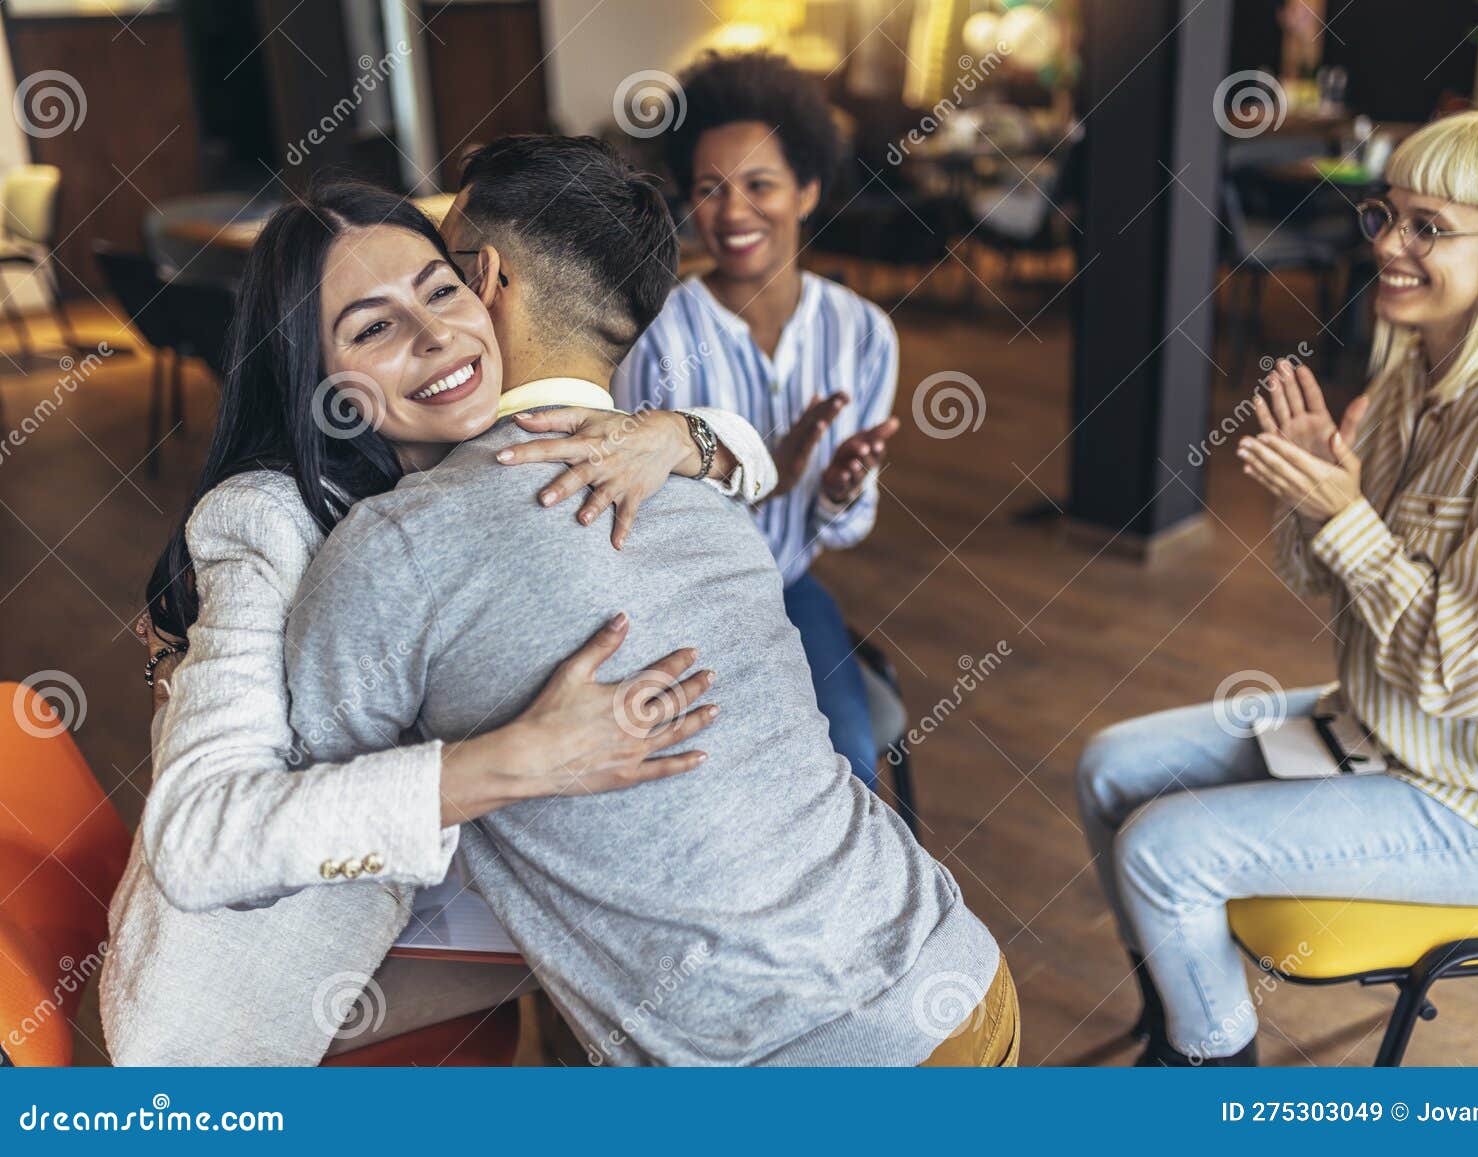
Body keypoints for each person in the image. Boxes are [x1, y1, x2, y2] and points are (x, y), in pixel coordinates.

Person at [286, 133, 1015, 1066]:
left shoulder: (395, 546)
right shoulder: (696, 483)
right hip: (958, 985)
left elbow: (306, 830)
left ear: (482, 281)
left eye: (438, 277)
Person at [103, 173, 780, 1065]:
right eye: (373, 327)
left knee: (649, 912)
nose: (434, 336)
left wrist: (677, 437)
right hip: (256, 995)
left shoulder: (482, 452)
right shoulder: (265, 519)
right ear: (320, 379)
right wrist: (517, 760)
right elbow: (199, 841)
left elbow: (754, 459)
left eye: (440, 291)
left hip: (423, 902)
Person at [1075, 109, 1478, 1066]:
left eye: (1428, 227)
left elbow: (1477, 676)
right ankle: (1191, 1015)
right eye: (1386, 216)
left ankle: (1205, 1076)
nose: (1390, 246)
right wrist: (1320, 495)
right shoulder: (1411, 376)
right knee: (1109, 765)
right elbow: (1319, 582)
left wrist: (1348, 514)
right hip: (1383, 727)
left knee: (1163, 847)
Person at [613, 51, 899, 790]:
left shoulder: (864, 334)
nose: (733, 211)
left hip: (792, 591)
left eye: (759, 184)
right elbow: (641, 522)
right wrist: (765, 475)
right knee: (720, 788)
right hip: (680, 608)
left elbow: (842, 528)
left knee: (850, 771)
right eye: (709, 189)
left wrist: (836, 488)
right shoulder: (661, 334)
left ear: (806, 191)